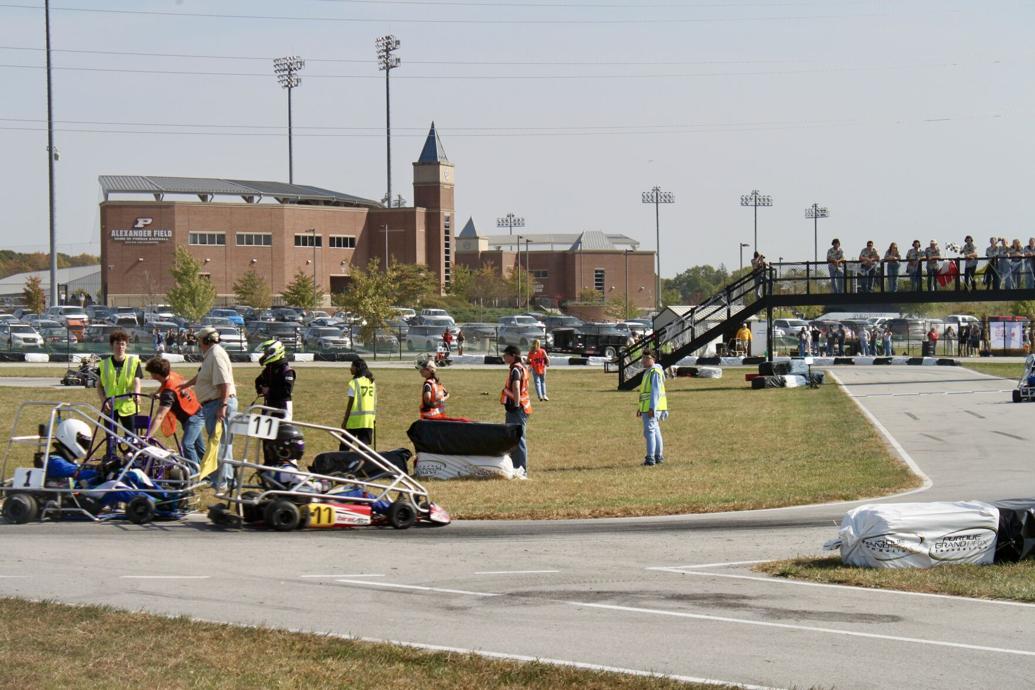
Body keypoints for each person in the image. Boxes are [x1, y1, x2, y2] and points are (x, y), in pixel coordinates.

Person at [179, 325, 237, 488]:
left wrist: (223, 406)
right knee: (220, 443)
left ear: (206, 340)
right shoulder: (211, 355)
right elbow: (202, 376)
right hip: (213, 404)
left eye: (199, 340)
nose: (198, 343)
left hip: (218, 403)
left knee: (220, 443)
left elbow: (224, 383)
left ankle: (223, 482)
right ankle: (228, 479)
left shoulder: (216, 355)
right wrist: (186, 385)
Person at [143, 356, 206, 469]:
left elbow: (160, 416)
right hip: (196, 410)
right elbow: (165, 384)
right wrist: (158, 393)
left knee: (187, 444)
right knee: (199, 447)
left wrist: (148, 435)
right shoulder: (171, 375)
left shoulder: (168, 393)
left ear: (156, 374)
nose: (150, 375)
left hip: (193, 417)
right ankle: (211, 470)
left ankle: (193, 472)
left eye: (151, 373)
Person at [98, 328, 142, 433]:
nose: (120, 347)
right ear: (112, 345)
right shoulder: (104, 364)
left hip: (128, 407)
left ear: (126, 345)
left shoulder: (134, 362)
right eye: (117, 344)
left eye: (123, 344)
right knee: (110, 440)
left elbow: (137, 381)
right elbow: (99, 385)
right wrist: (104, 400)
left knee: (132, 439)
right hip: (110, 407)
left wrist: (138, 394)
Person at [500, 345, 532, 479]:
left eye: (505, 355)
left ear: (512, 356)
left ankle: (520, 469)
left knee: (518, 440)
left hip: (517, 409)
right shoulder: (520, 367)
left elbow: (516, 387)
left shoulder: (515, 370)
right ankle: (515, 467)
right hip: (520, 408)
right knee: (515, 439)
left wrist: (516, 404)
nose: (504, 357)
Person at [637, 350, 668, 467]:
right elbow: (645, 392)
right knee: (655, 431)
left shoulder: (654, 372)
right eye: (643, 358)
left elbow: (655, 391)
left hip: (652, 408)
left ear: (653, 359)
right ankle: (658, 456)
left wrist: (652, 408)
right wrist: (640, 407)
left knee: (649, 431)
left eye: (646, 358)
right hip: (648, 407)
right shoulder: (648, 372)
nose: (643, 361)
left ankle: (650, 458)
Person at [254, 339, 296, 419]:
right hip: (268, 404)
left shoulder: (286, 371)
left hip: (282, 407)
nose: (264, 355)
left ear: (274, 352)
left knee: (281, 430)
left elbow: (286, 391)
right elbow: (258, 381)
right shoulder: (268, 369)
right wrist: (260, 389)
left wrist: (269, 390)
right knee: (264, 430)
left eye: (266, 353)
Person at [341, 358, 376, 446]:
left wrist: (345, 420)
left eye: (352, 366)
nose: (350, 368)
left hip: (354, 421)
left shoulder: (354, 383)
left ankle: (345, 460)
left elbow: (350, 403)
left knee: (344, 447)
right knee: (364, 450)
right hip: (368, 420)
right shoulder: (371, 381)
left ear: (357, 368)